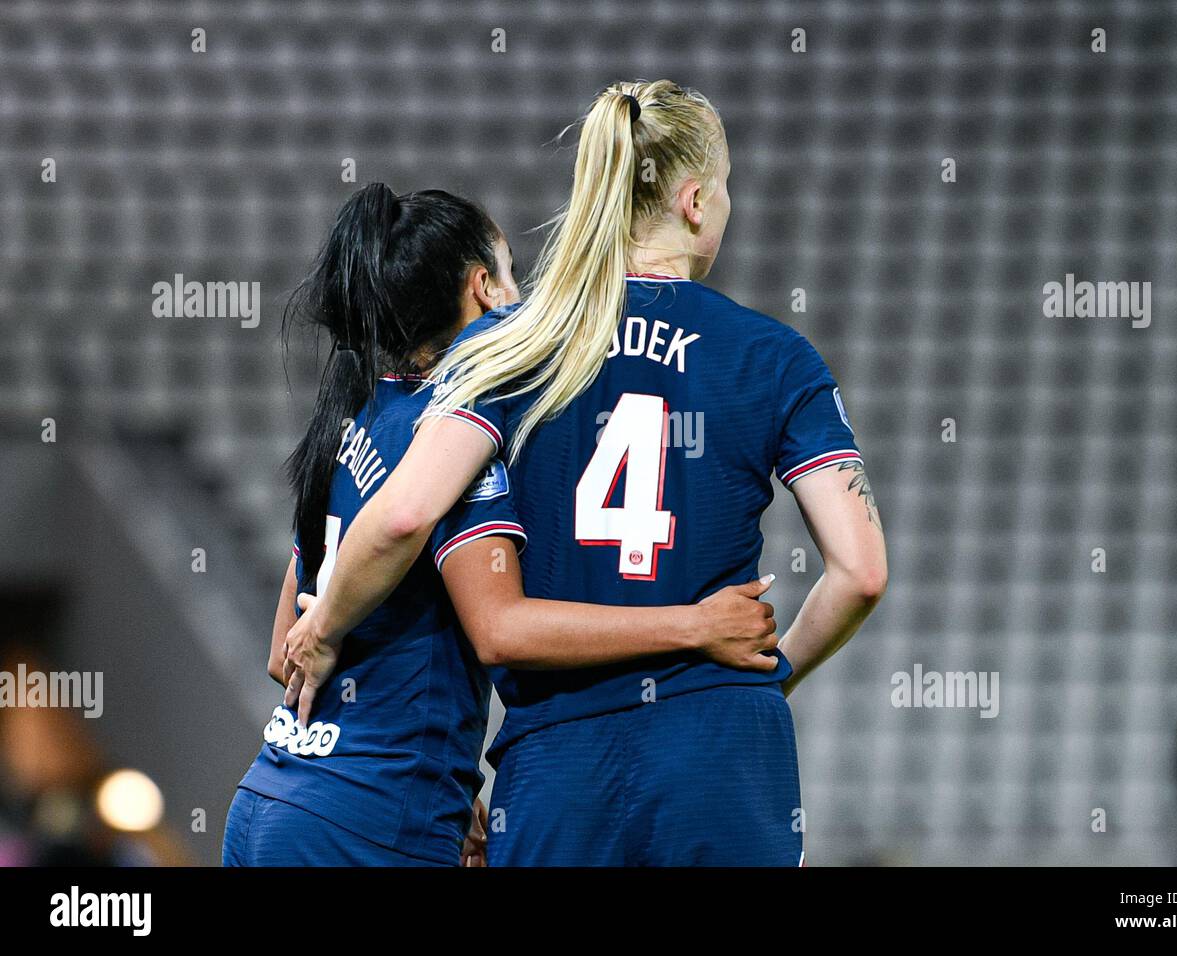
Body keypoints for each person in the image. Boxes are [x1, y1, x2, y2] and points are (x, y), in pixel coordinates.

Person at [286, 80, 887, 866]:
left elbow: (403, 512)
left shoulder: (508, 350)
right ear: (697, 201)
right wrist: (767, 682)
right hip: (723, 756)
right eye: (729, 183)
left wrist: (323, 625)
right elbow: (861, 573)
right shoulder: (774, 357)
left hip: (559, 767)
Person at [224, 183, 779, 867]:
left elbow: (284, 651)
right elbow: (502, 629)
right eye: (512, 271)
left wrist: (446, 788)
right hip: (368, 825)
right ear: (483, 288)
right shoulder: (455, 445)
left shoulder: (352, 423)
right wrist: (694, 625)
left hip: (271, 799)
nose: (521, 297)